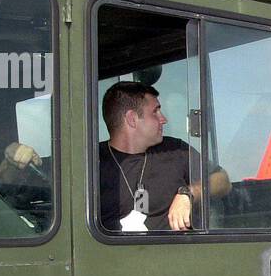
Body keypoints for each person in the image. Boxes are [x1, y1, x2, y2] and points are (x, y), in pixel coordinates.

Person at [96, 81, 230, 232]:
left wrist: (188, 193)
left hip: (176, 253)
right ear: (132, 119)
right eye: (155, 112)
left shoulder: (175, 150)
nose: (163, 119)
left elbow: (223, 180)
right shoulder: (92, 164)